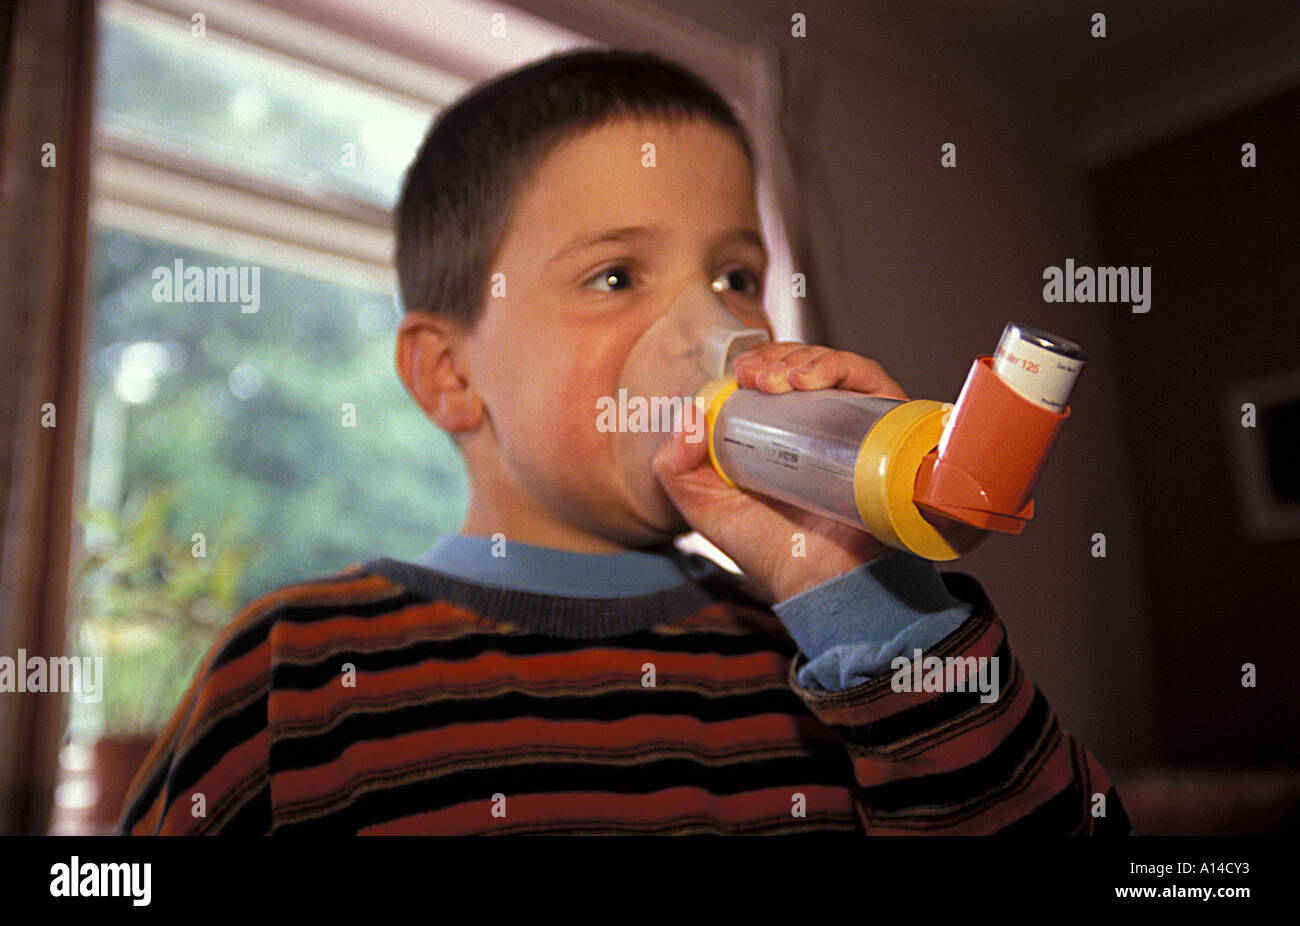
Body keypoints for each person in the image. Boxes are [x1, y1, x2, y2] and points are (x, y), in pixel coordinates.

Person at [117, 48, 1129, 835]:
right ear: (450, 374)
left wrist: (865, 592)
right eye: (614, 277)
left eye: (736, 275)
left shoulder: (826, 652)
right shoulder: (292, 668)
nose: (718, 333)